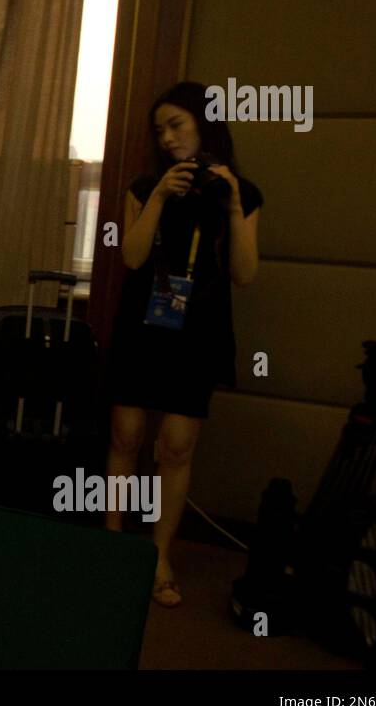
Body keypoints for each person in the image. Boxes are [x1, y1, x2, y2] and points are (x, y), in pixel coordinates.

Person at [103, 81, 262, 608]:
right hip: (142, 325)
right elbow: (130, 257)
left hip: (199, 330)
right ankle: (110, 543)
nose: (168, 138)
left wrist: (235, 206)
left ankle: (159, 556)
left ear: (205, 124)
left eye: (177, 125)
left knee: (175, 444)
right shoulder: (146, 186)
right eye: (160, 130)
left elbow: (243, 275)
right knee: (125, 434)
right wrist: (160, 198)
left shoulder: (240, 191)